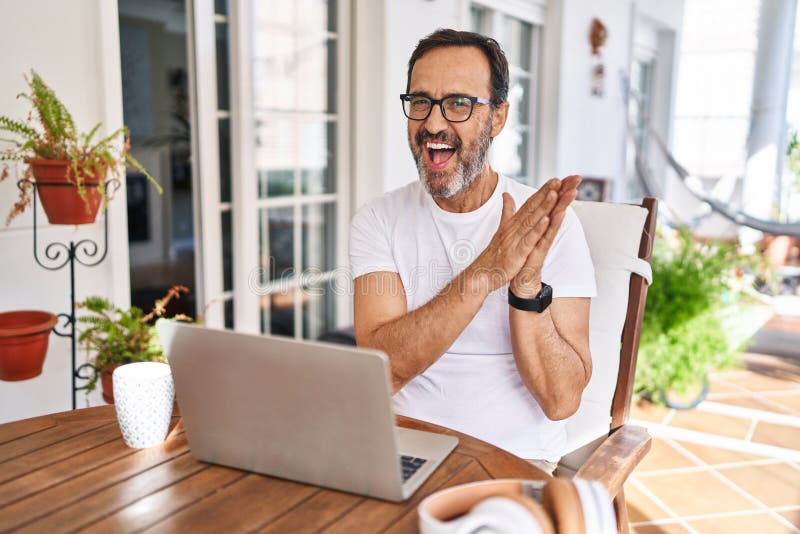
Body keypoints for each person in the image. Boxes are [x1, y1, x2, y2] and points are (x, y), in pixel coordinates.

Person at [349, 29, 596, 473]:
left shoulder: (549, 225)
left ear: (498, 117)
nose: (434, 124)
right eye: (421, 101)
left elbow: (562, 401)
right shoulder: (378, 220)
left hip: (516, 460)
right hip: (401, 449)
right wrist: (485, 273)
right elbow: (382, 372)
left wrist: (524, 287)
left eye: (459, 103)